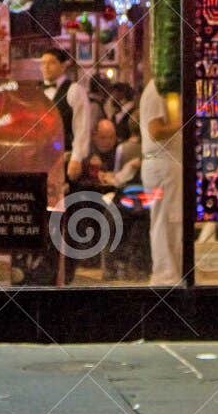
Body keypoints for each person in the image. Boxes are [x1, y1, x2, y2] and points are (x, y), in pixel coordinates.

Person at [138, 76, 184, 286]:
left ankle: (170, 274)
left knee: (169, 221)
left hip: (165, 163)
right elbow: (155, 131)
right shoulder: (157, 89)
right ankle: (166, 277)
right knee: (165, 221)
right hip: (162, 163)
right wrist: (184, 122)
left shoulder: (164, 90)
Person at [39, 47, 97, 183]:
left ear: (63, 66)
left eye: (51, 62)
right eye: (43, 63)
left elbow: (82, 128)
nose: (46, 67)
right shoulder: (37, 90)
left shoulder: (75, 90)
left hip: (65, 157)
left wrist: (76, 158)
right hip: (40, 160)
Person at [74, 117, 142, 192]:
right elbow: (78, 180)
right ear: (94, 136)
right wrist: (96, 173)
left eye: (111, 137)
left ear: (116, 137)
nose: (107, 142)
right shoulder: (85, 153)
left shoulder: (122, 150)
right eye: (102, 137)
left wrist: (110, 174)